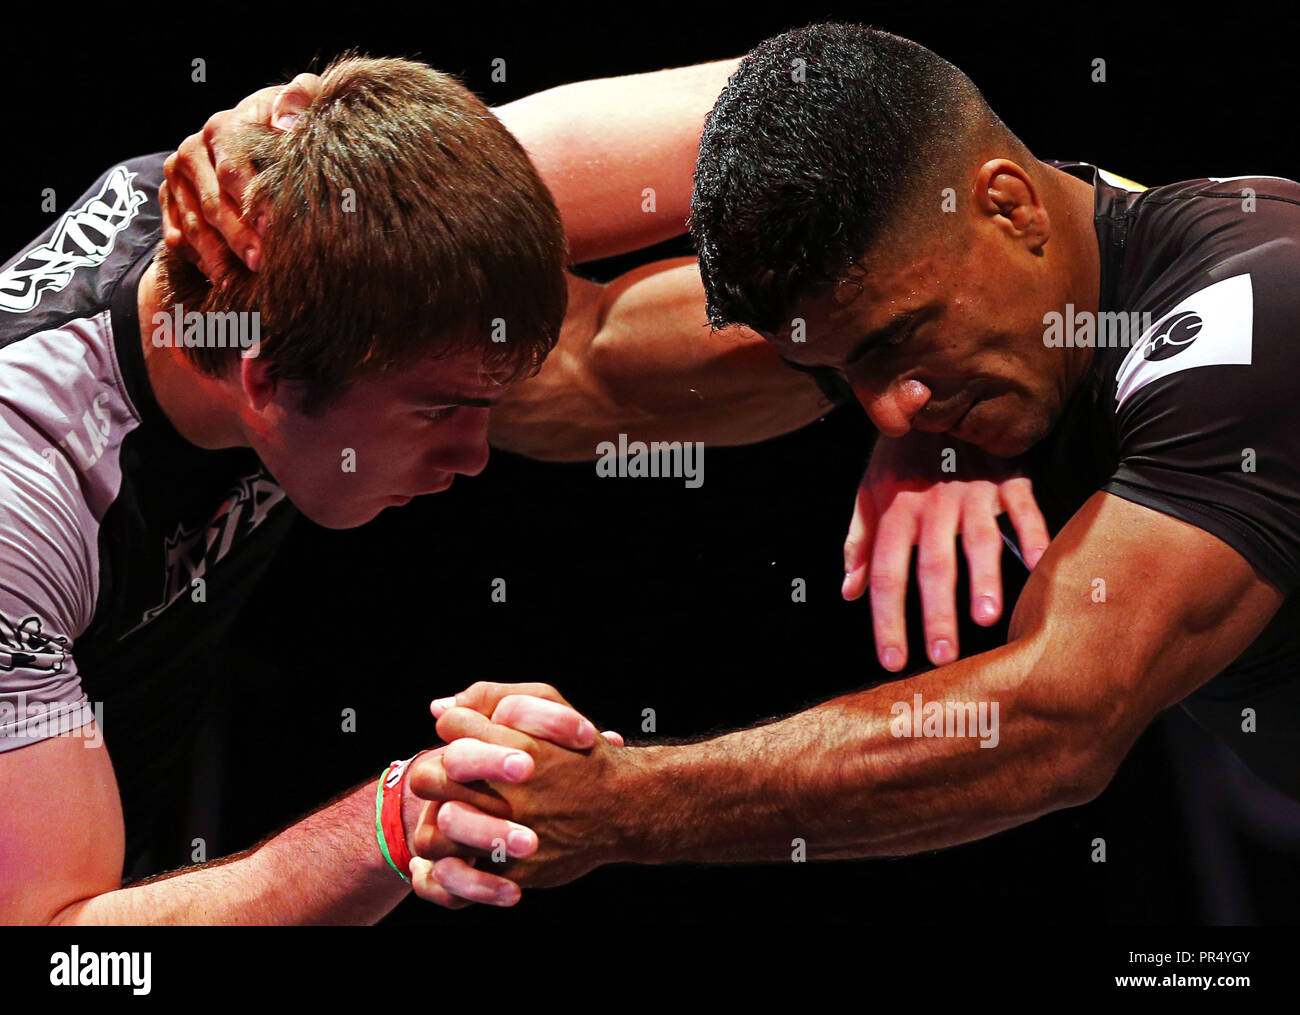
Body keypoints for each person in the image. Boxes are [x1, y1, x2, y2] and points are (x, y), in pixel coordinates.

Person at [400, 22, 1300, 902]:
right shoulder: (1003, 258)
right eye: (834, 373)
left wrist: (620, 802)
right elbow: (574, 364)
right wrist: (319, 273)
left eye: (899, 343)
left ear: (1012, 205)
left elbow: (1056, 721)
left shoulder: (1260, 313)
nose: (883, 407)